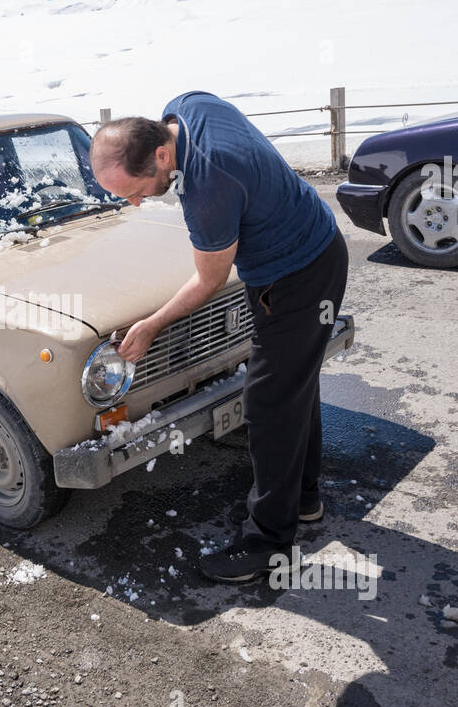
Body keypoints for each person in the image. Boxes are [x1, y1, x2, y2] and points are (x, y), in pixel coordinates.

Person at [89, 92, 346, 585]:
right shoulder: (187, 106)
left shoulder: (209, 186)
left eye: (137, 190)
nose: (138, 203)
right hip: (313, 244)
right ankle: (303, 498)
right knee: (294, 383)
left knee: (269, 404)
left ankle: (269, 543)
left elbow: (208, 281)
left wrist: (149, 325)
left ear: (162, 155)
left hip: (297, 277)